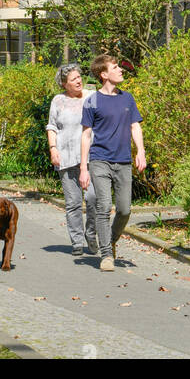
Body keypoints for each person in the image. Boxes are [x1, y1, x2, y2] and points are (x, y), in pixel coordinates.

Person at [79, 53, 145, 271]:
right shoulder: (92, 101)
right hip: (100, 160)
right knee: (104, 206)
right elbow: (86, 135)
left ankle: (111, 239)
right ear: (103, 74)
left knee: (125, 210)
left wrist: (141, 151)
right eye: (116, 67)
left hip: (123, 161)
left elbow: (135, 126)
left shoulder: (127, 98)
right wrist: (83, 168)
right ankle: (106, 254)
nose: (121, 70)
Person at [46, 62, 99, 257]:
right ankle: (77, 241)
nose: (78, 80)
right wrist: (53, 149)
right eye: (73, 79)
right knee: (73, 203)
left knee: (94, 198)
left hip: (92, 157)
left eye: (79, 77)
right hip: (66, 157)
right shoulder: (58, 101)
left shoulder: (92, 96)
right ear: (64, 84)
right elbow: (52, 127)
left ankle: (91, 234)